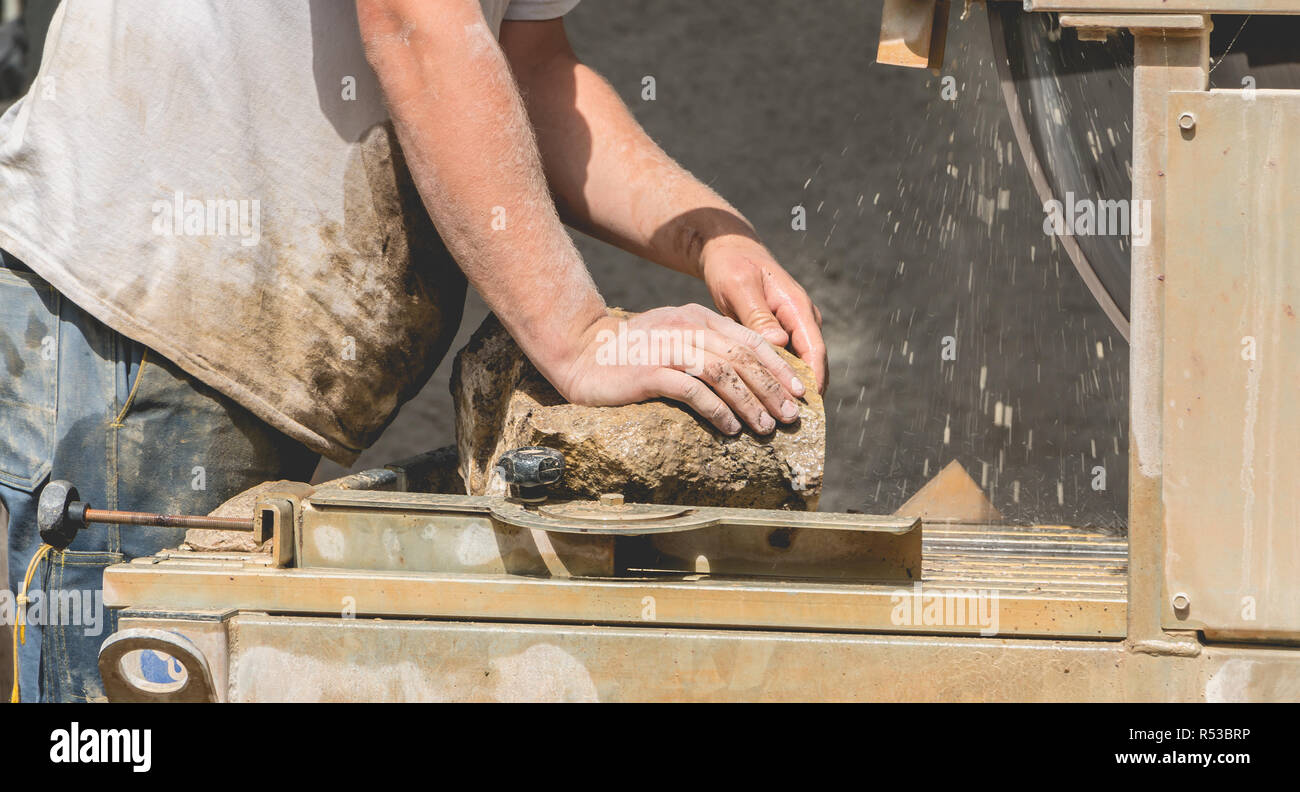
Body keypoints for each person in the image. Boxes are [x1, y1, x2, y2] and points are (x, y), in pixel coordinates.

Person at [0, 0, 826, 702]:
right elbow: (417, 24)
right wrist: (579, 336)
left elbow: (526, 63)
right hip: (130, 324)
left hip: (221, 363)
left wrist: (709, 235)